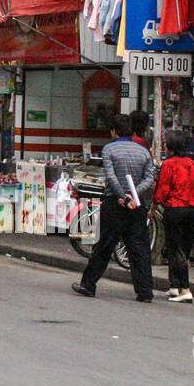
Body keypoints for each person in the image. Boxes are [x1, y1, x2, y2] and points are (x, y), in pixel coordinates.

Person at [73, 114, 159, 302]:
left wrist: (122, 195)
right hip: (137, 205)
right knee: (139, 248)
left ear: (113, 131)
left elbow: (111, 177)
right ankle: (145, 291)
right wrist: (133, 195)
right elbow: (149, 178)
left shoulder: (109, 149)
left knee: (103, 245)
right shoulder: (143, 151)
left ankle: (88, 284)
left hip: (114, 203)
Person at [155, 128, 194, 304]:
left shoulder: (168, 165)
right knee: (183, 249)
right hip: (191, 210)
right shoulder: (191, 163)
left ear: (169, 147)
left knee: (175, 249)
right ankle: (174, 286)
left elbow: (162, 190)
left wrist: (153, 206)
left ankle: (185, 289)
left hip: (175, 209)